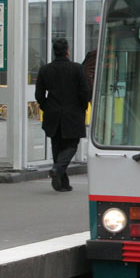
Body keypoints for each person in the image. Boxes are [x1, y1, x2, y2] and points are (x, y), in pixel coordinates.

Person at [34, 38, 90, 192]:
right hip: (73, 113)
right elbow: (85, 91)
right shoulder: (77, 68)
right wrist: (83, 106)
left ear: (54, 51)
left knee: (57, 146)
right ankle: (58, 169)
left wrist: (47, 107)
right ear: (67, 51)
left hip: (53, 114)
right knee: (72, 145)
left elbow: (39, 94)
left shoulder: (45, 70)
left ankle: (62, 183)